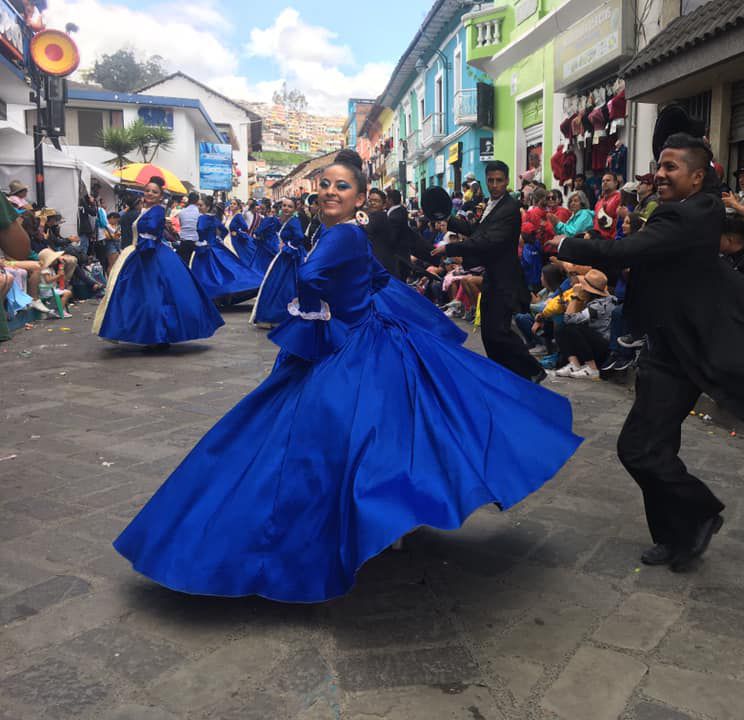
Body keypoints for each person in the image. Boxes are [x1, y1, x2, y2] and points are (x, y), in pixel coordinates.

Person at [112, 152, 581, 603]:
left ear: (361, 197)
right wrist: (409, 278)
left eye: (342, 186)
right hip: (367, 335)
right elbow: (376, 279)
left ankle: (337, 529)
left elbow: (314, 276)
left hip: (354, 345)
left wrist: (322, 297)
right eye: (326, 185)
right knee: (386, 431)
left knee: (320, 438)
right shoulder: (345, 233)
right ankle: (389, 519)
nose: (331, 191)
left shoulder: (339, 236)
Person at [556, 124, 744, 571]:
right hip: (669, 344)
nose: (661, 174)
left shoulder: (685, 215)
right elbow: (650, 256)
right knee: (657, 448)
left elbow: (629, 249)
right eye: (658, 167)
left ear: (696, 177)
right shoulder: (702, 209)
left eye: (671, 167)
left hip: (677, 354)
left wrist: (566, 242)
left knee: (637, 448)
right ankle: (674, 537)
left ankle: (701, 510)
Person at [434, 161, 545, 383]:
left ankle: (531, 370)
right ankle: (502, 374)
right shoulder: (492, 204)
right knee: (489, 332)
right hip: (491, 276)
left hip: (505, 278)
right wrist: (451, 221)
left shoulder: (510, 207)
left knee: (498, 332)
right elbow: (478, 231)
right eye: (491, 180)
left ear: (507, 181)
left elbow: (486, 240)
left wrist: (450, 248)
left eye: (499, 180)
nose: (494, 185)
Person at [92, 176, 224, 348]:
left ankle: (157, 335)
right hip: (140, 253)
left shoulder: (157, 211)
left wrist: (143, 246)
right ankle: (152, 334)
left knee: (155, 296)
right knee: (146, 296)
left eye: (154, 192)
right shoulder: (146, 210)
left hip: (150, 254)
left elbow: (151, 232)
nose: (150, 193)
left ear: (161, 196)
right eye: (147, 190)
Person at [189, 195, 264, 306]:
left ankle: (209, 297)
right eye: (198, 205)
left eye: (201, 205)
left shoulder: (203, 218)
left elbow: (201, 229)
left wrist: (204, 239)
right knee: (225, 271)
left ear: (208, 206)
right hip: (216, 247)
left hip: (205, 249)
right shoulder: (214, 218)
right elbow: (223, 230)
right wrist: (217, 239)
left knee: (207, 274)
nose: (199, 207)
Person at [250, 197, 306, 327]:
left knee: (287, 286)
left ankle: (283, 316)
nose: (286, 208)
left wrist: (288, 246)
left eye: (289, 206)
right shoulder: (287, 221)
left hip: (291, 258)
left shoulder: (294, 221)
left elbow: (300, 237)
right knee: (277, 285)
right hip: (285, 256)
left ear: (294, 209)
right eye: (284, 206)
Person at [554, 269, 616, 380]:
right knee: (560, 327)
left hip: (603, 346)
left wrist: (575, 296)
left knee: (573, 327)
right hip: (592, 343)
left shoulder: (600, 305)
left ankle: (592, 368)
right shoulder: (595, 301)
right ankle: (574, 365)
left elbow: (569, 319)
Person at [225, 199, 257, 268]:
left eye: (234, 204)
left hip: (233, 240)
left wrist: (236, 232)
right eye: (231, 203)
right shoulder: (230, 216)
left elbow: (245, 227)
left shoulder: (238, 216)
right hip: (227, 239)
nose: (232, 205)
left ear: (238, 206)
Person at [252, 204, 281, 274]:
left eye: (262, 209)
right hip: (275, 241)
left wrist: (256, 233)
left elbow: (259, 231)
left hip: (265, 241)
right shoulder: (276, 219)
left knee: (261, 262)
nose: (260, 211)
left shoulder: (267, 219)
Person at [176, 192, 201, 265]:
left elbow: (181, 225)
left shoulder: (182, 212)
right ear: (197, 201)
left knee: (183, 264)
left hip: (184, 241)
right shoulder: (199, 213)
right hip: (195, 241)